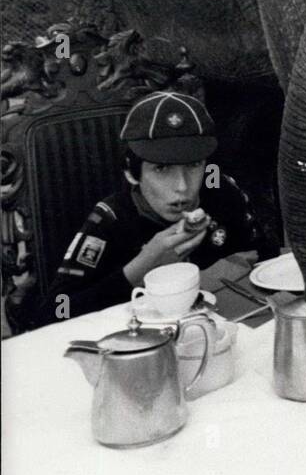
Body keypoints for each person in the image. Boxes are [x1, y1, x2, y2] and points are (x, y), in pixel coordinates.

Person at [49, 91, 277, 321]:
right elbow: (53, 312)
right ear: (131, 172)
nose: (182, 186)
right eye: (161, 168)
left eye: (193, 165)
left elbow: (265, 257)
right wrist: (138, 269)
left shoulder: (221, 190)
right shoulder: (110, 219)